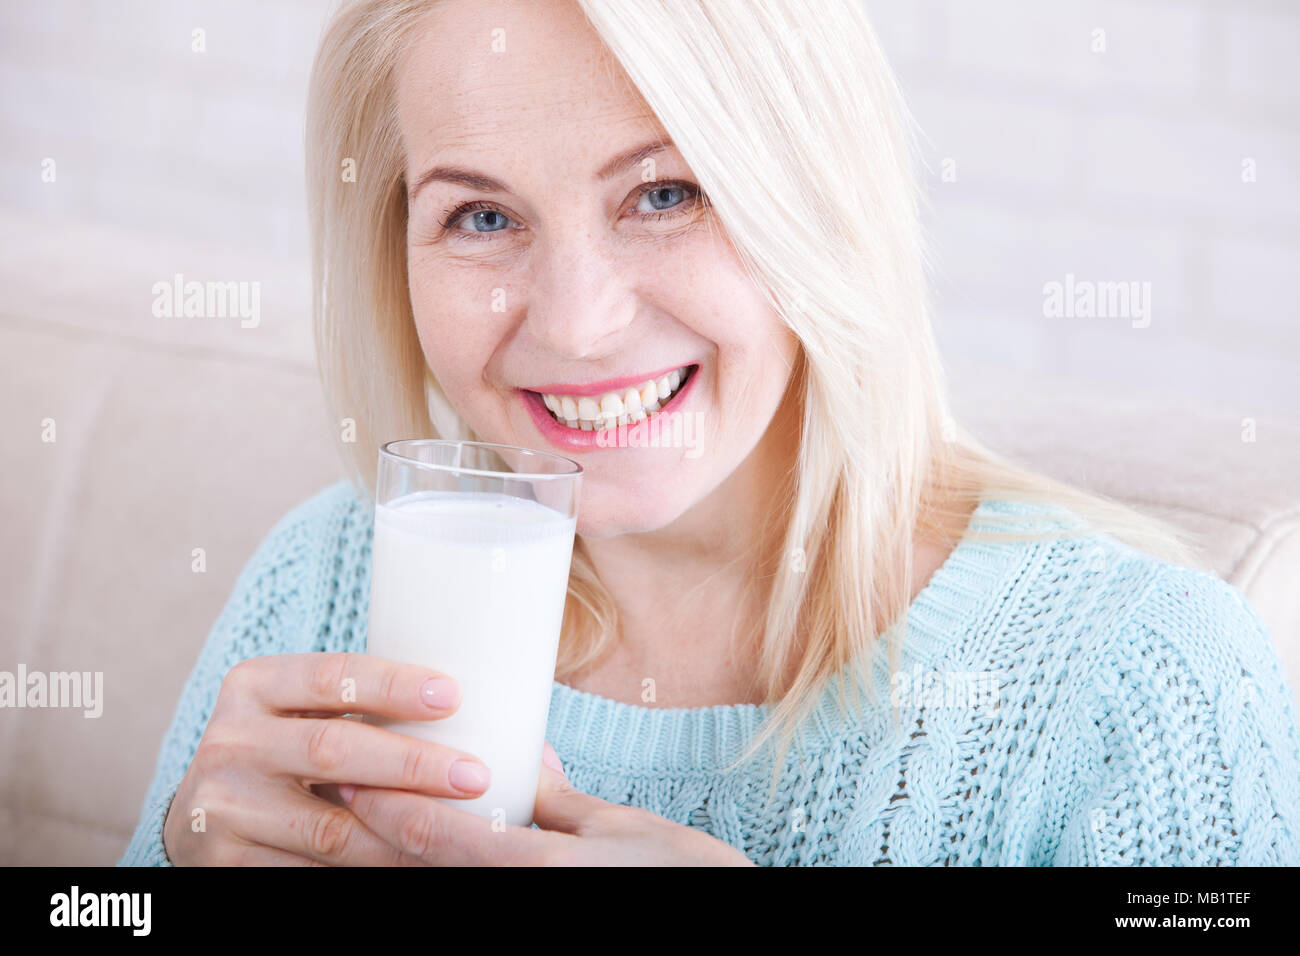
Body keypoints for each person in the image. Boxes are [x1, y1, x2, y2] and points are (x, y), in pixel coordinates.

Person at [120, 0, 1300, 866]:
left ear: (815, 204)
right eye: (482, 214)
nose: (577, 325)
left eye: (666, 193)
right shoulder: (327, 576)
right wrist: (168, 864)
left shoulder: (1138, 676)